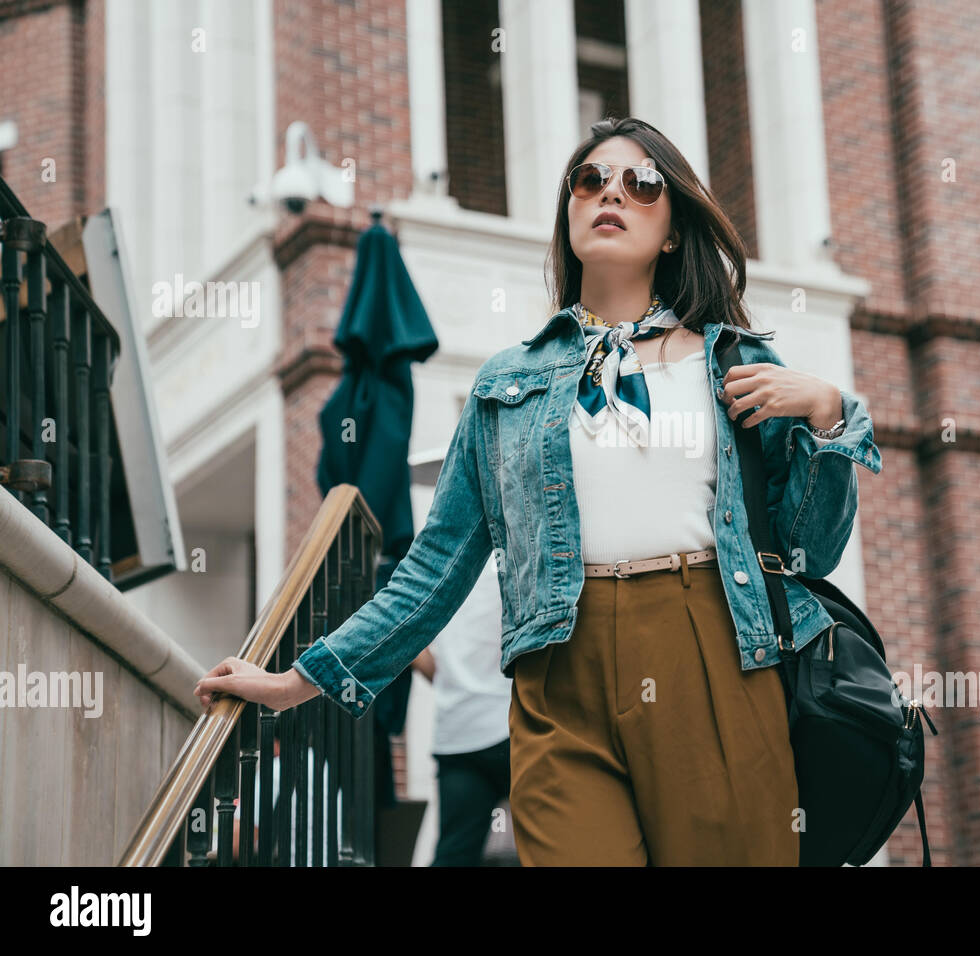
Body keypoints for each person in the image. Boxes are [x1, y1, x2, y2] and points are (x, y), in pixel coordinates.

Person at [196, 116, 883, 866]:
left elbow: (811, 547)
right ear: (568, 212)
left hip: (712, 659)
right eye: (589, 181)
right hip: (560, 675)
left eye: (641, 183)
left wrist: (829, 418)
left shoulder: (736, 365)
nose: (609, 194)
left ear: (673, 228)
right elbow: (432, 571)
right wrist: (299, 680)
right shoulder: (506, 384)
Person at [414, 552, 514, 866]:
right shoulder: (512, 560)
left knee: (455, 853)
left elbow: (417, 654)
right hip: (510, 726)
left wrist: (454, 681)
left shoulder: (438, 565)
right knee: (547, 844)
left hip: (457, 732)